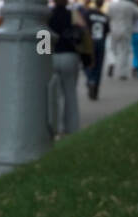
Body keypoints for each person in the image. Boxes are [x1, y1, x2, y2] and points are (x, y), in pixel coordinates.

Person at [48, 0, 82, 136]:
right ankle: (72, 129)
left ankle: (56, 127)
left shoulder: (47, 16)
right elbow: (82, 33)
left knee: (55, 96)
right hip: (70, 55)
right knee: (70, 94)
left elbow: (42, 40)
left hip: (52, 56)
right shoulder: (74, 15)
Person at [83, 0, 107, 99]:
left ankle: (90, 80)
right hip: (100, 42)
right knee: (98, 66)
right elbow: (106, 31)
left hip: (89, 41)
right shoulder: (104, 17)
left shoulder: (88, 14)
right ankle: (95, 87)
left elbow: (83, 27)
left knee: (87, 64)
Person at [105, 0, 132, 80]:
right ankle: (122, 73)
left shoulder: (112, 5)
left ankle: (112, 61)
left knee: (111, 49)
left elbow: (108, 16)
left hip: (113, 29)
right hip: (125, 30)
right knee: (124, 51)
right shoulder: (129, 5)